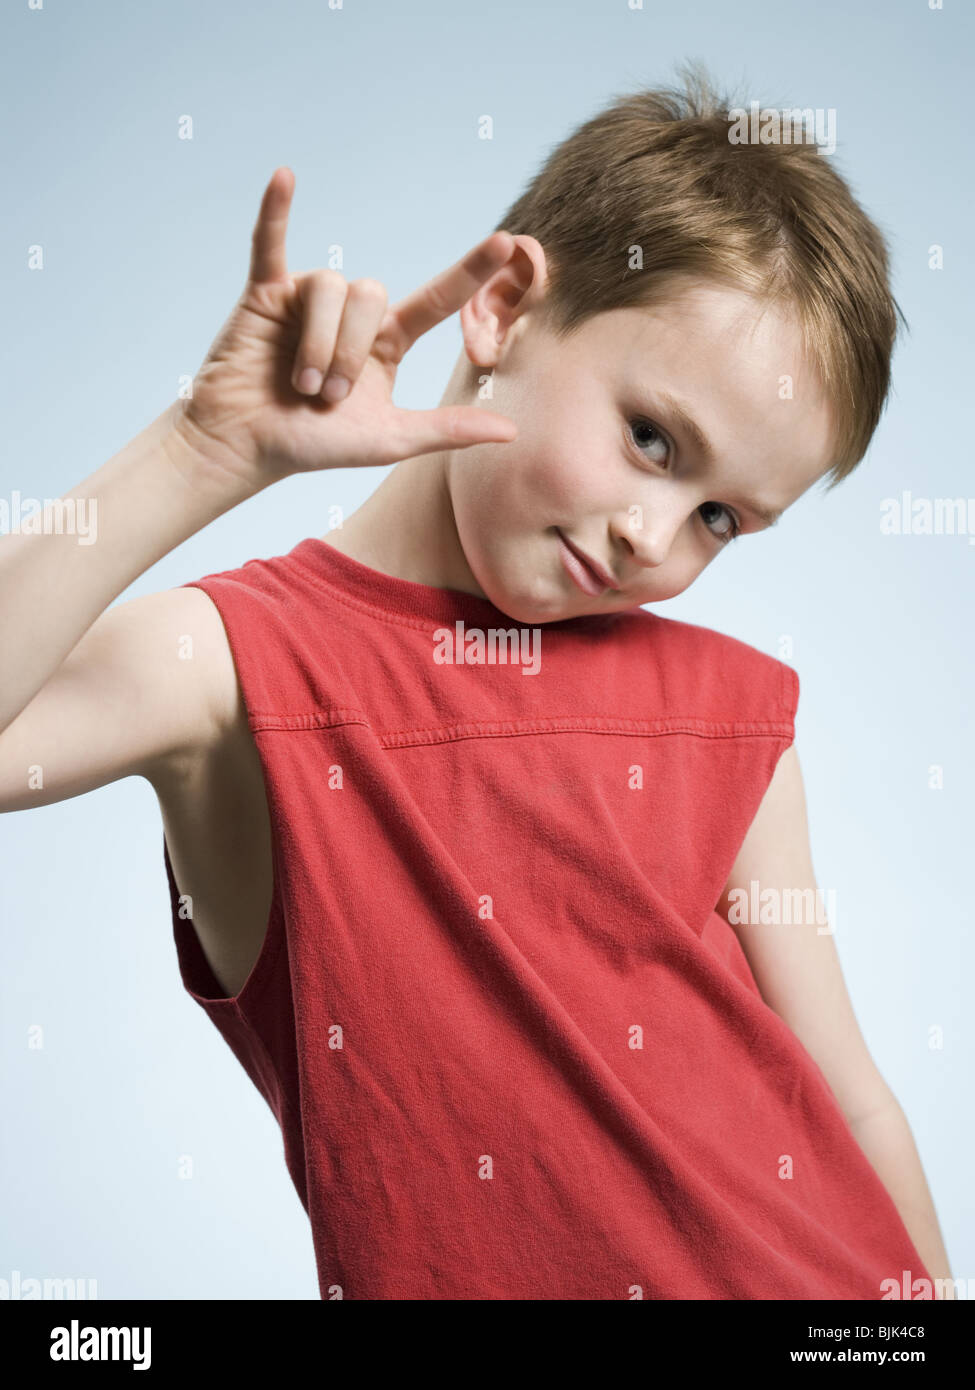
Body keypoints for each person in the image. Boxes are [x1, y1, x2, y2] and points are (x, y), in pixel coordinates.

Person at [0, 69, 954, 1300]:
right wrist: (196, 456)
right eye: (652, 439)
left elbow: (852, 1098)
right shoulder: (234, 665)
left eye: (720, 515)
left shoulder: (731, 722)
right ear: (505, 307)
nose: (650, 535)